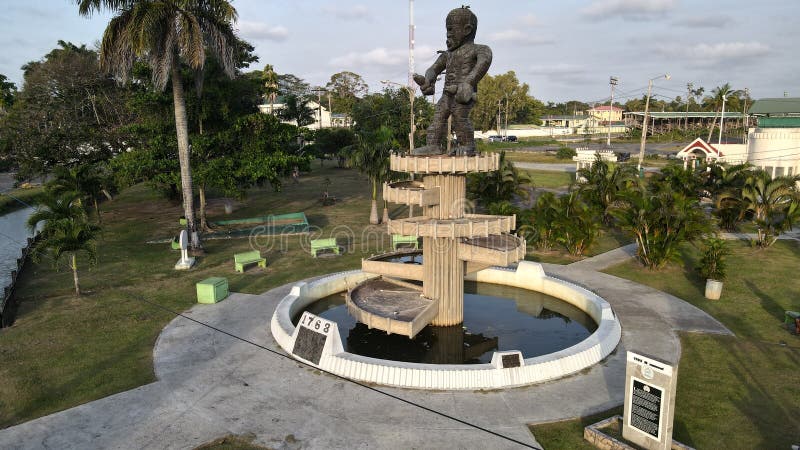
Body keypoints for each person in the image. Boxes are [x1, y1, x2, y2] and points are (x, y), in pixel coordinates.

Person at [412, 6, 492, 156]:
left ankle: (468, 146)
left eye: (451, 30)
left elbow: (484, 62)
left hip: (462, 95)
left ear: (467, 29)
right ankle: (433, 145)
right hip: (447, 95)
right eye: (447, 30)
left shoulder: (480, 49)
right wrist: (429, 80)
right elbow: (433, 69)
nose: (448, 35)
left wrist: (468, 82)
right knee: (438, 117)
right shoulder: (448, 54)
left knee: (459, 119)